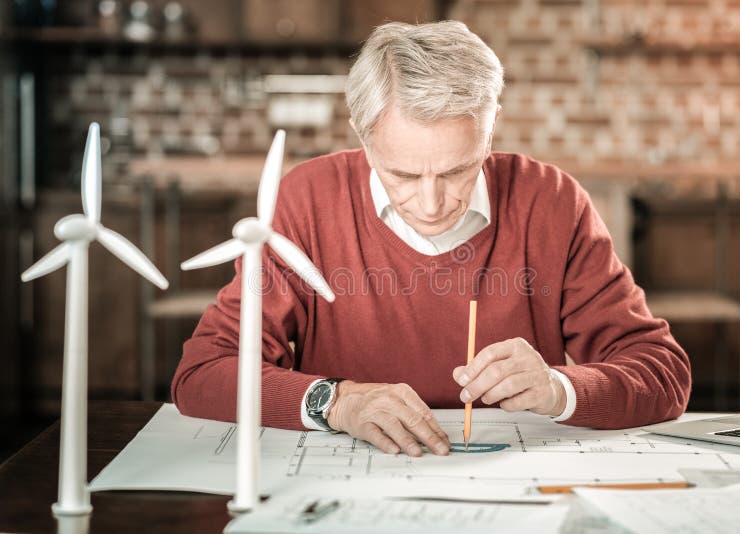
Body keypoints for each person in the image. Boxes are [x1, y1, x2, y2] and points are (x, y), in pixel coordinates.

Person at [172, 20, 691, 458]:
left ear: (490, 129)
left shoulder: (551, 201)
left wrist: (561, 388)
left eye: (457, 170)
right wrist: (337, 402)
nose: (431, 203)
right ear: (362, 135)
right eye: (401, 174)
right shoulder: (306, 199)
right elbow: (203, 372)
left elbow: (663, 373)